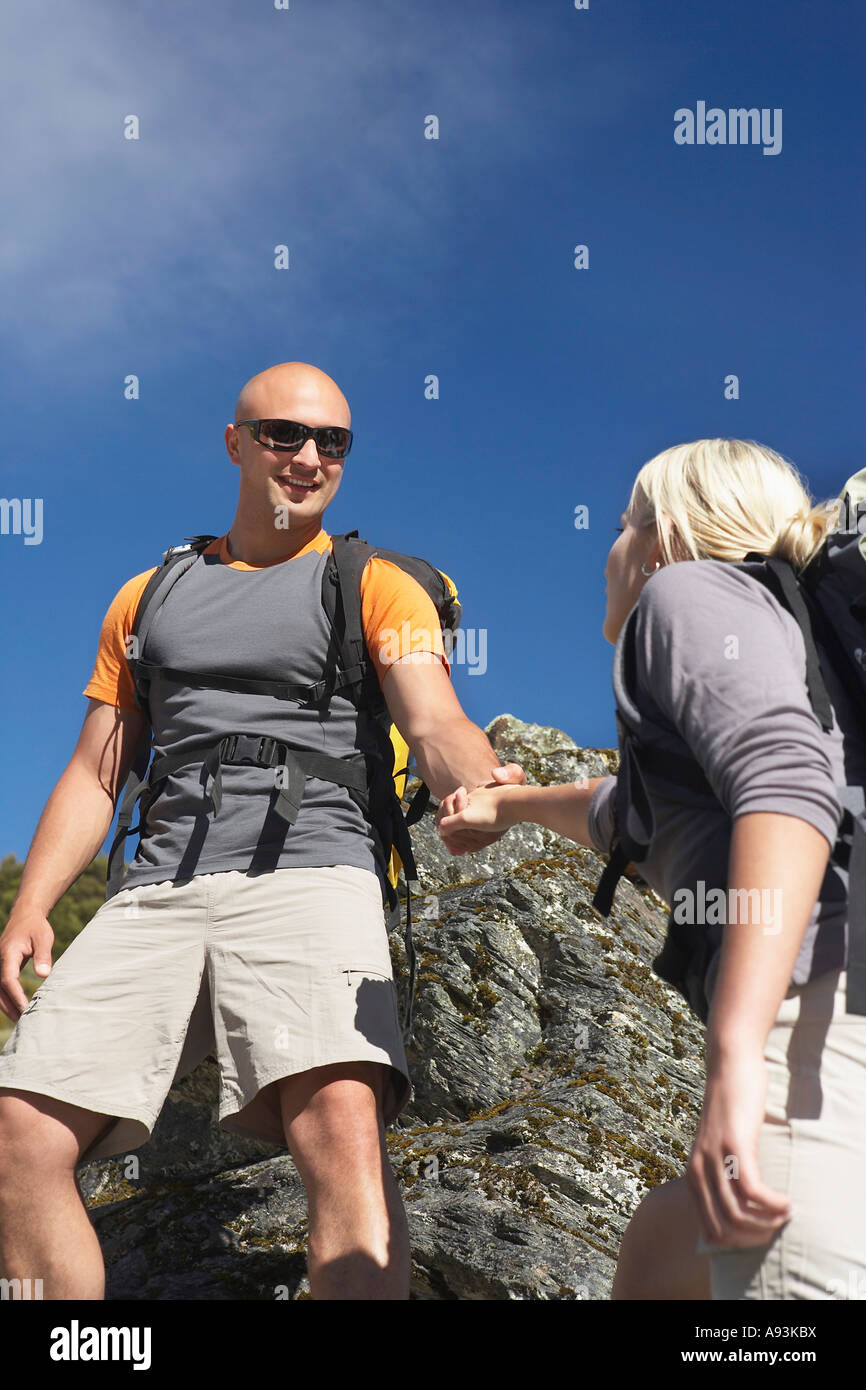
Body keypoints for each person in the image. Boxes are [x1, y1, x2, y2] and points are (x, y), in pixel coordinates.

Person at [0, 360, 524, 1301]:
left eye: (333, 441)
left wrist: (480, 783)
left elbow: (434, 717)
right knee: (18, 1136)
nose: (310, 456)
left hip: (315, 872)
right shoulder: (147, 597)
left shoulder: (376, 584)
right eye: (285, 434)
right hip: (158, 886)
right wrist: (32, 904)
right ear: (236, 444)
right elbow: (96, 768)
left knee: (338, 1125)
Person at [435, 438, 866, 1300]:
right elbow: (622, 815)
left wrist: (738, 1058)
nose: (610, 552)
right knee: (661, 1248)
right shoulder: (804, 657)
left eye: (621, 524)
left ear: (661, 533)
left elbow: (782, 779)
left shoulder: (689, 590)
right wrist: (504, 807)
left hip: (820, 1039)